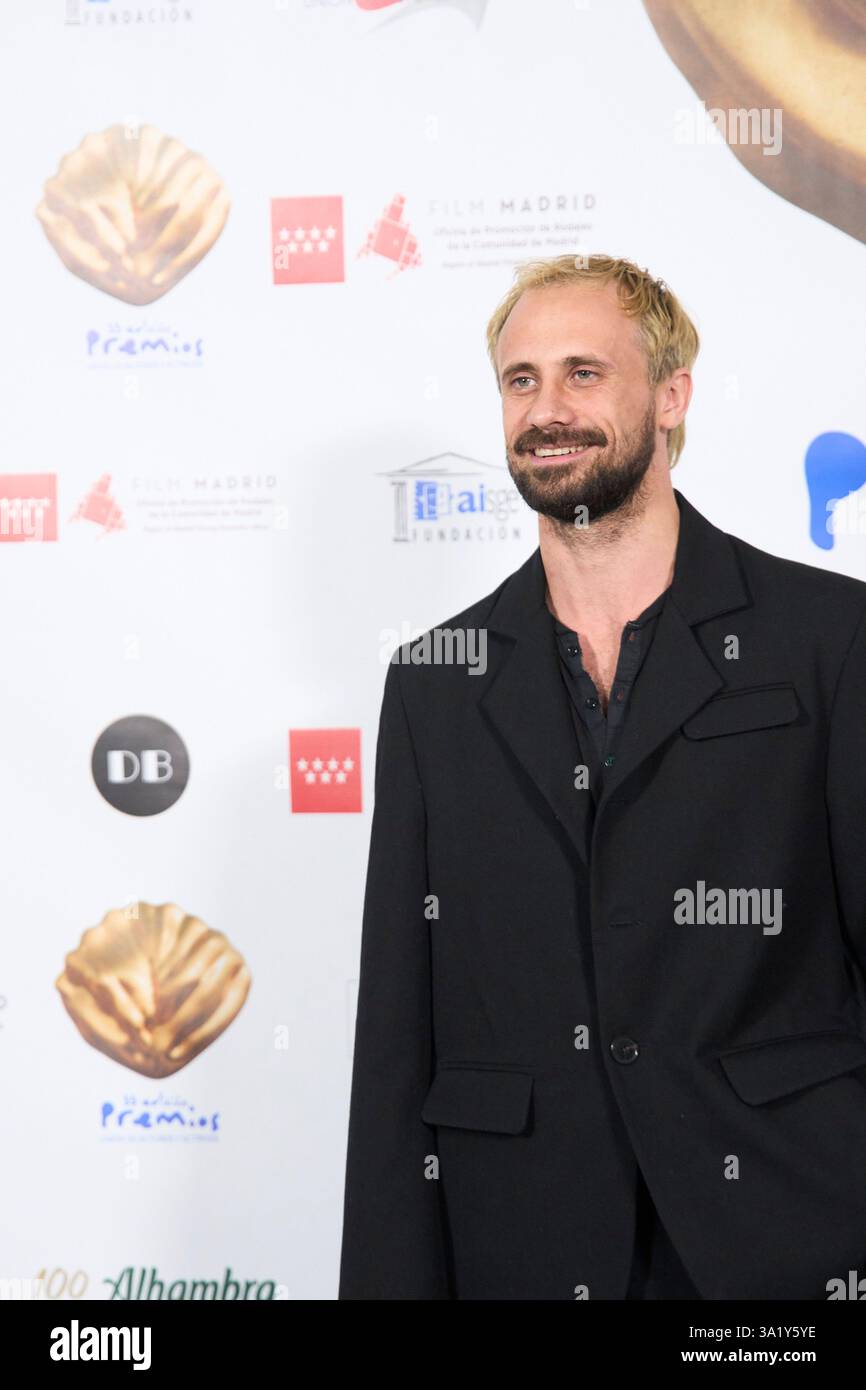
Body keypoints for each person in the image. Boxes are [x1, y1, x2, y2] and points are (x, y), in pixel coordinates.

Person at [338, 253, 866, 1300]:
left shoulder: (828, 638)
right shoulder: (436, 681)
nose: (546, 409)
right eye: (520, 379)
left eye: (583, 373)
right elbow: (399, 1033)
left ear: (668, 395)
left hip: (782, 1234)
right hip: (523, 1239)